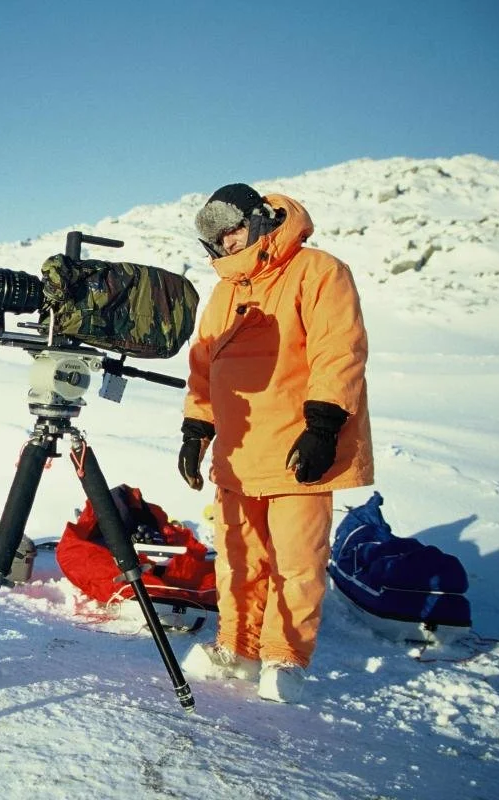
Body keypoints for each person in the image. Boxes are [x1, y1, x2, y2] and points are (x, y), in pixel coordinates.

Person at [177, 183, 374, 703]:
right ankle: (237, 646)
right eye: (217, 239)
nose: (227, 243)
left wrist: (324, 426)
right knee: (239, 556)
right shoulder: (225, 292)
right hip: (240, 449)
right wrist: (196, 428)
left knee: (297, 560)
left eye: (234, 230)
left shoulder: (319, 271)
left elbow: (340, 350)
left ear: (262, 219)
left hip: (299, 444)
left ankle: (286, 657)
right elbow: (205, 364)